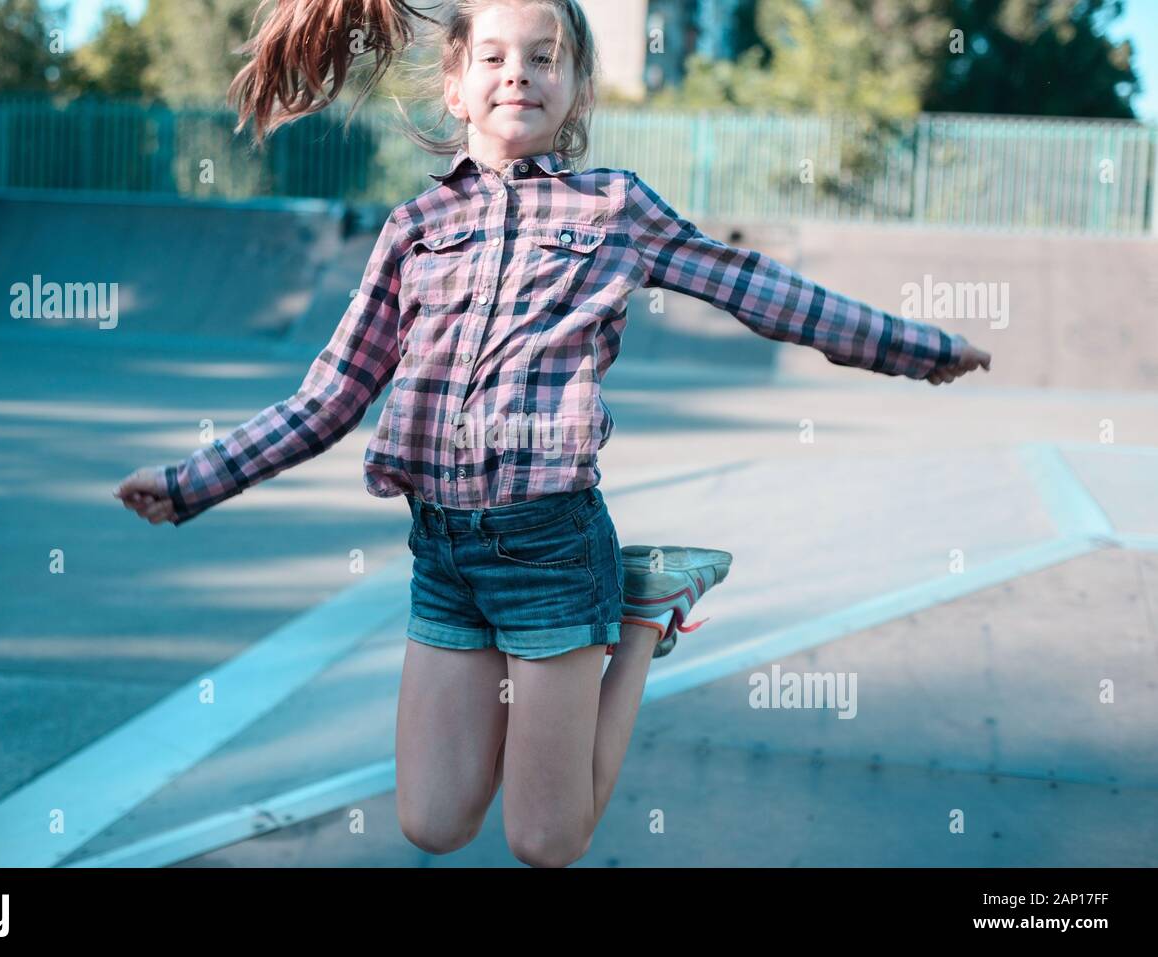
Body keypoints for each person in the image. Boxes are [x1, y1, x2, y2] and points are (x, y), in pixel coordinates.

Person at [113, 0, 991, 868]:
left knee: (546, 839)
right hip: (443, 554)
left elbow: (759, 289)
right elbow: (330, 397)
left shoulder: (615, 209)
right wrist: (195, 480)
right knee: (433, 822)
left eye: (544, 57)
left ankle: (643, 616)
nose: (518, 74)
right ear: (454, 87)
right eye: (492, 57)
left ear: (574, 87)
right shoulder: (415, 231)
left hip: (552, 549)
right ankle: (628, 610)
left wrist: (915, 346)